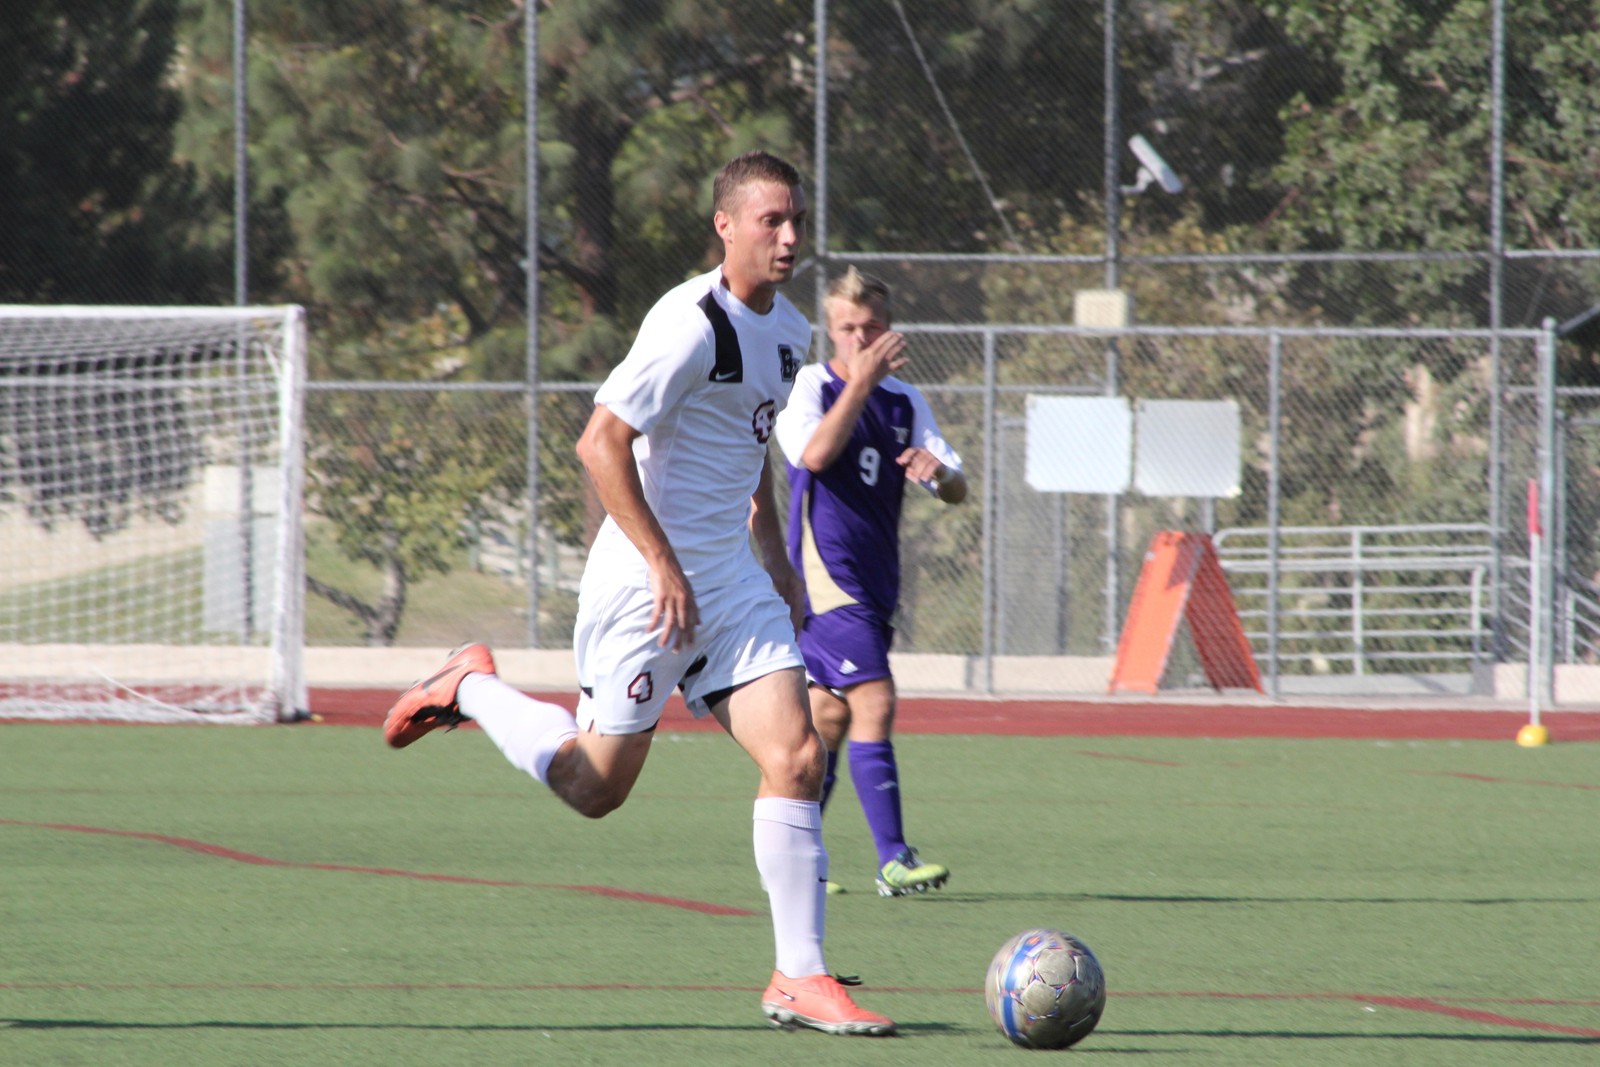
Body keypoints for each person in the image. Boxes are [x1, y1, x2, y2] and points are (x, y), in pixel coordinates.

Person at [381, 151, 894, 1038]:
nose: (790, 237)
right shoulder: (687, 324)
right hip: (643, 584)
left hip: (729, 584)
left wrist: (774, 566)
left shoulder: (791, 331)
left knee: (799, 756)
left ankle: (798, 976)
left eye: (797, 220)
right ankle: (468, 684)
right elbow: (599, 444)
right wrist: (661, 564)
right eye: (771, 220)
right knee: (594, 786)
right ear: (724, 226)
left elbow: (750, 460)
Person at [773, 266, 967, 898]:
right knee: (874, 701)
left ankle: (800, 862)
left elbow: (956, 487)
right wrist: (858, 384)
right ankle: (893, 859)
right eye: (848, 328)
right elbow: (816, 456)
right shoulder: (809, 386)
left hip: (878, 582)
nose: (860, 337)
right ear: (830, 331)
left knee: (827, 718)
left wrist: (939, 472)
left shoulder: (906, 401)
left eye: (872, 328)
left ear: (890, 331)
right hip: (828, 578)